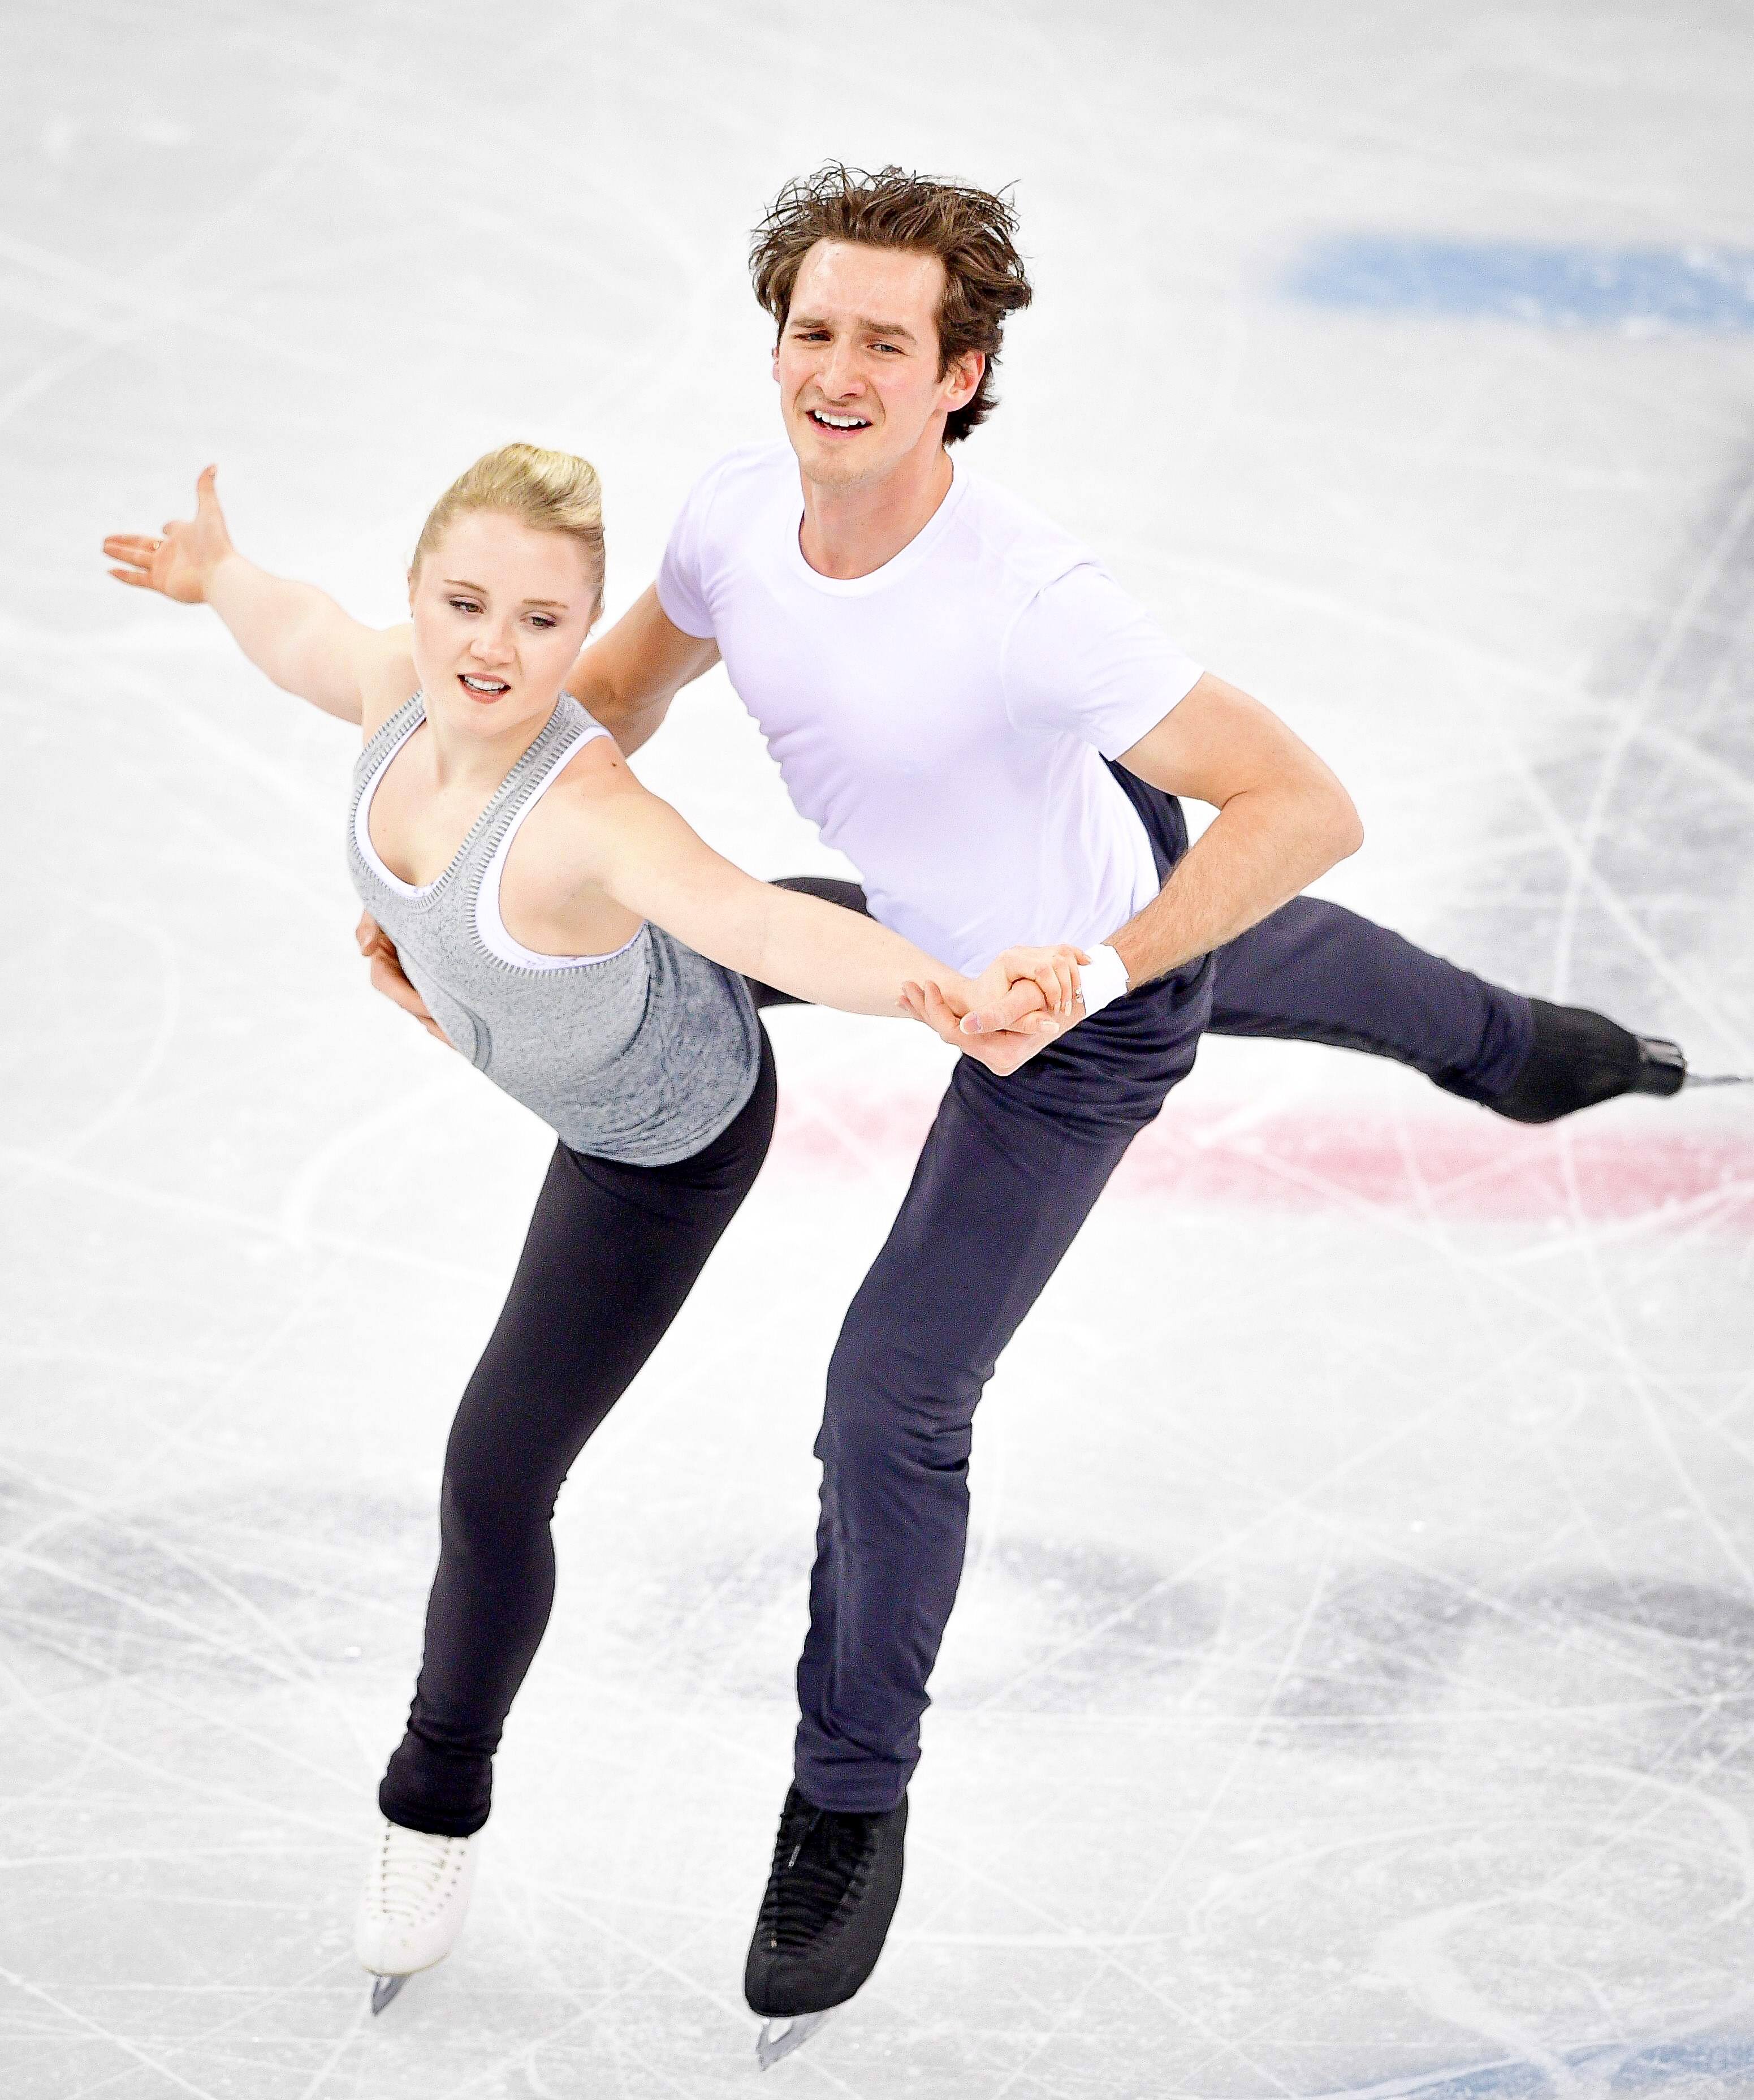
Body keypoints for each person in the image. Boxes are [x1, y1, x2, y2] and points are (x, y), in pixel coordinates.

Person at [360, 169, 1699, 2070]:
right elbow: (609, 722)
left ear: (958, 376)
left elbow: (1301, 808)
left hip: (1079, 1017)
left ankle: (847, 1800)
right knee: (1237, 945)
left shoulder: (1036, 602)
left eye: (884, 344)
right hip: (919, 918)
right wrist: (449, 870)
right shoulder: (740, 520)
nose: (836, 370)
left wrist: (1103, 964)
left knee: (891, 1391)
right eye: (811, 331)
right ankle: (1519, 1040)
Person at [100, 443, 1086, 2016]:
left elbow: (753, 924)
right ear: (419, 590)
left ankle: (430, 1797)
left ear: (581, 639)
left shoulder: (594, 810)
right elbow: (298, 629)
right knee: (496, 1464)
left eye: (545, 622)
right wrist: (214, 572)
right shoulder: (392, 694)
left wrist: (935, 993)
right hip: (623, 1011)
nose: (494, 648)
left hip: (662, 1136)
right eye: (465, 601)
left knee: (494, 1471)